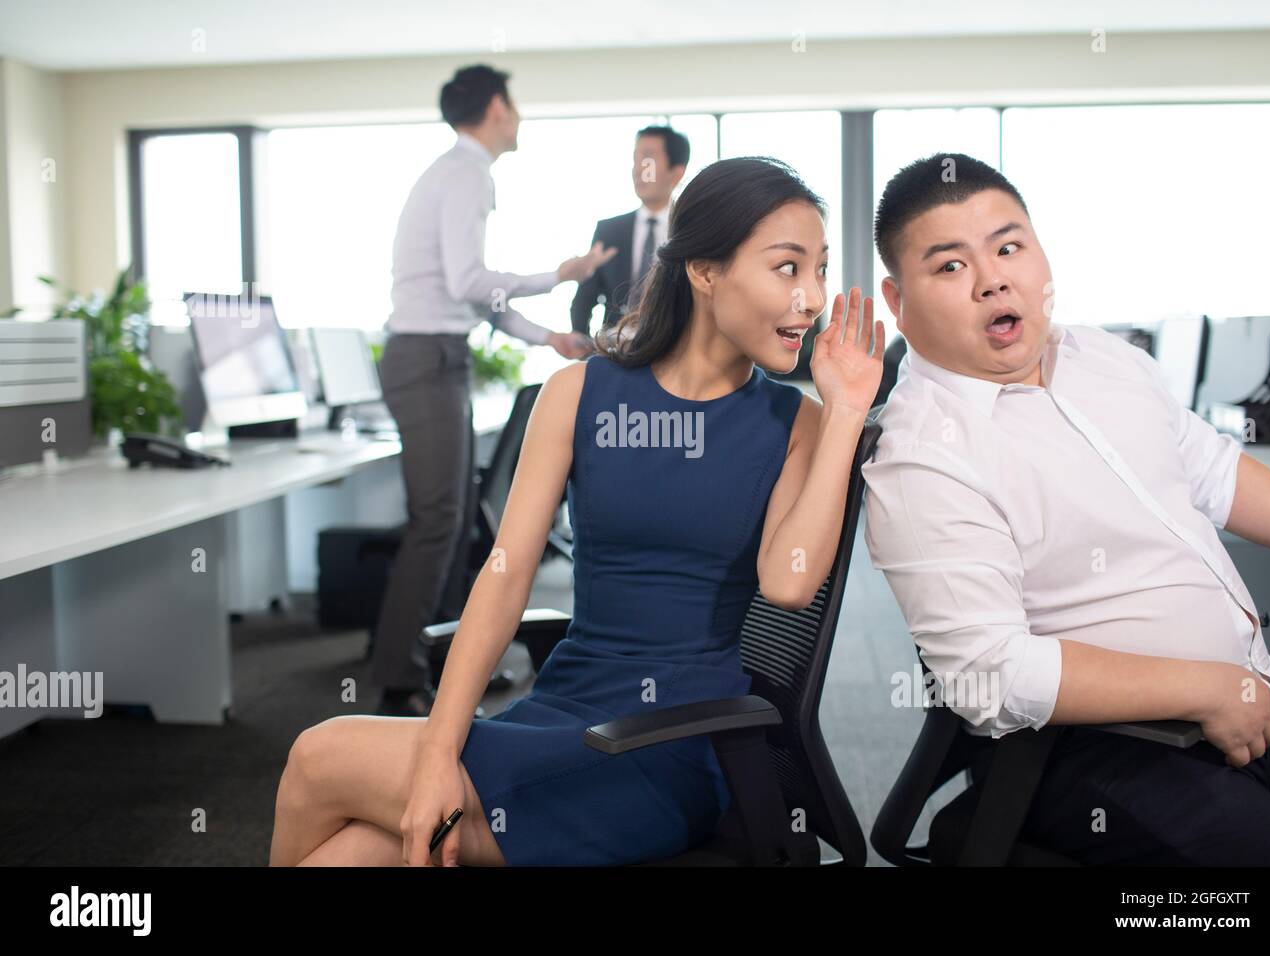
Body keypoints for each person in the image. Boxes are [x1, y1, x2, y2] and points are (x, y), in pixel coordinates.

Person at [269, 155, 885, 866]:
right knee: (347, 855)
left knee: (319, 759)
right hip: (561, 708)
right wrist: (441, 747)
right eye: (788, 268)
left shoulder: (796, 424)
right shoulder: (578, 393)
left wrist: (843, 414)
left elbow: (788, 582)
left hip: (665, 745)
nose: (812, 297)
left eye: (821, 270)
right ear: (706, 271)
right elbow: (504, 574)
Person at [864, 152, 1270, 864]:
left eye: (1009, 247)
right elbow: (991, 673)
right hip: (1102, 752)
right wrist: (1208, 688)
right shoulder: (922, 455)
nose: (992, 278)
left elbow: (1215, 473)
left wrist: (1231, 684)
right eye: (950, 267)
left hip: (1253, 686)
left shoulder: (1104, 360)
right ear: (898, 300)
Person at [372, 64, 614, 718]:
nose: (519, 115)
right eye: (514, 102)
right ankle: (401, 681)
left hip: (438, 355)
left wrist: (546, 338)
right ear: (495, 108)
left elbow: (477, 297)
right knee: (438, 520)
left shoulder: (463, 173)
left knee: (450, 518)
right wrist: (559, 274)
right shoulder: (465, 174)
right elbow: (468, 280)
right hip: (425, 358)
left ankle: (447, 668)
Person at [569, 125, 689, 337]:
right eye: (635, 159)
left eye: (647, 159)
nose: (637, 169)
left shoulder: (689, 230)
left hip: (676, 347)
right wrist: (586, 353)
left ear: (676, 172)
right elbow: (584, 299)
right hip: (617, 349)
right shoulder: (609, 230)